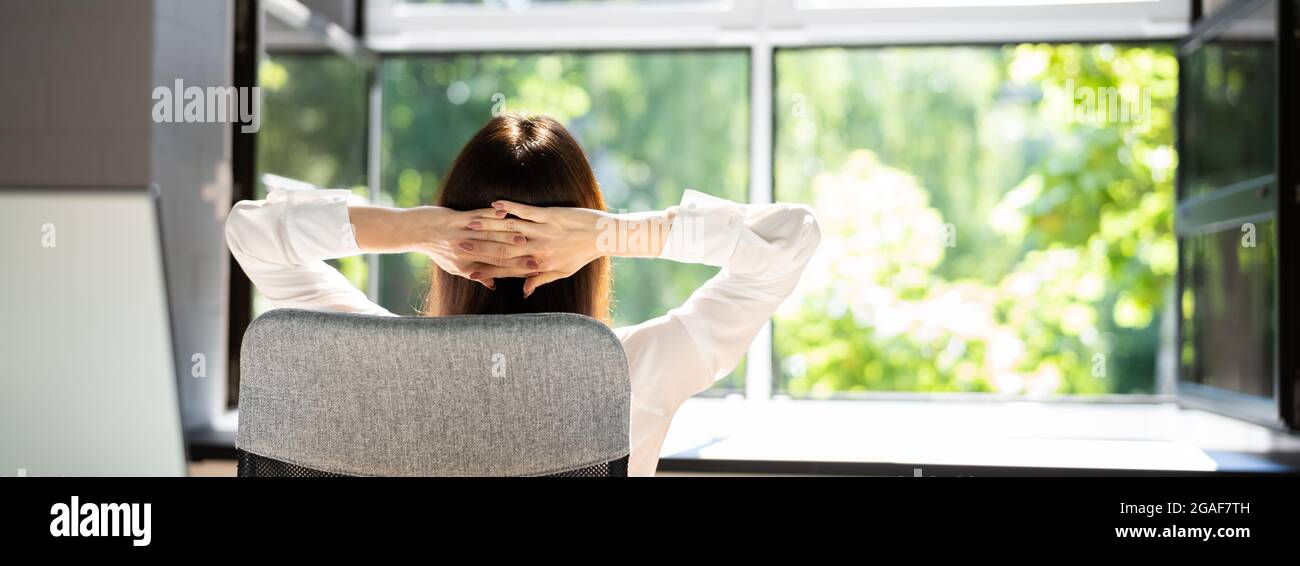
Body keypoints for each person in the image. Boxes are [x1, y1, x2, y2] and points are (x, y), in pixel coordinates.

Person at [226, 113, 821, 476]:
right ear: (585, 258)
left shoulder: (367, 359)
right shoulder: (635, 370)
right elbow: (790, 239)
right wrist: (609, 232)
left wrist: (415, 227)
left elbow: (251, 233)